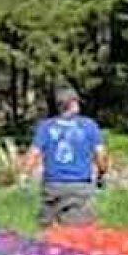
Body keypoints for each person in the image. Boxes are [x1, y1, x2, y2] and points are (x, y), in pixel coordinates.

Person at [26, 86, 108, 226]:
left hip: (52, 186)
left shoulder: (46, 127)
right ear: (73, 103)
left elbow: (33, 154)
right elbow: (101, 155)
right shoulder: (89, 126)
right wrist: (101, 173)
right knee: (78, 234)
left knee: (48, 232)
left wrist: (25, 175)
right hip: (79, 186)